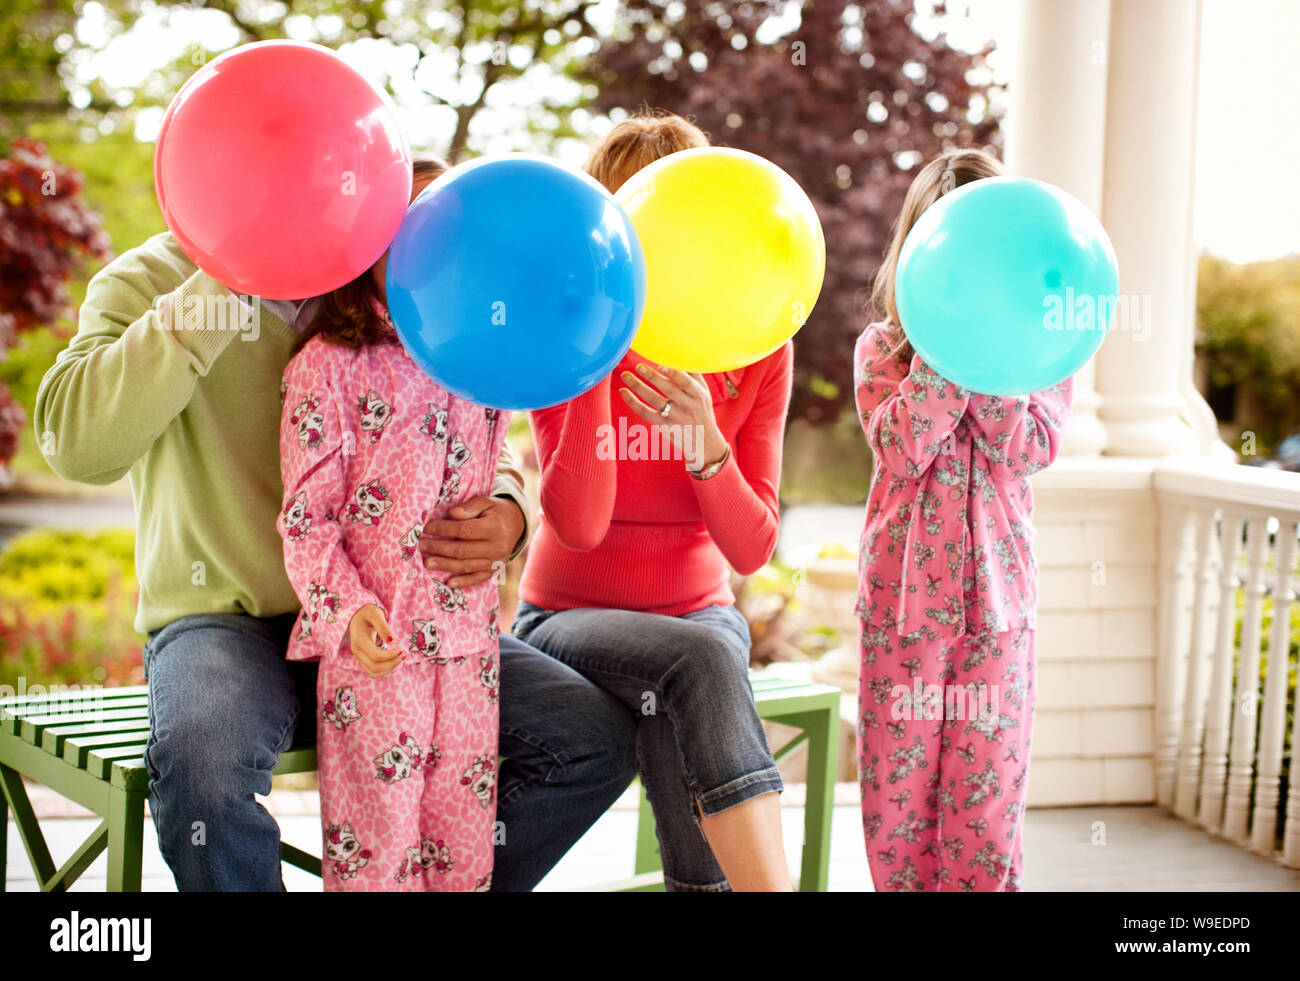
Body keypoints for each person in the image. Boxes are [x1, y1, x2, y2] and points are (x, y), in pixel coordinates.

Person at [33, 156, 634, 891]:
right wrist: (221, 281)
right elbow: (76, 446)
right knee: (203, 770)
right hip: (230, 620)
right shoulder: (152, 280)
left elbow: (476, 413)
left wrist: (510, 511)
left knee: (594, 738)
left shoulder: (393, 265)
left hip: (399, 609)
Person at [509, 111, 795, 892]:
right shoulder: (565, 334)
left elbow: (751, 549)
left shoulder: (757, 343)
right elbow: (579, 523)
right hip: (564, 622)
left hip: (694, 618)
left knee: (693, 672)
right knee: (705, 658)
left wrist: (706, 445)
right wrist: (600, 352)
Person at [276, 157, 505, 890]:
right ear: (368, 247)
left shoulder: (484, 363)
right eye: (406, 236)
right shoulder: (329, 365)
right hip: (377, 652)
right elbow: (306, 520)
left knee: (466, 858)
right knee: (376, 858)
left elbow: (502, 474)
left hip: (471, 650)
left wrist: (512, 516)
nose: (426, 255)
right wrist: (349, 610)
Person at [853, 148, 1073, 891]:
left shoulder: (1043, 353)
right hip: (902, 605)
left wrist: (996, 357)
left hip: (999, 607)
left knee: (986, 805)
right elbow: (902, 447)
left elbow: (1033, 447)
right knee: (897, 804)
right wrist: (947, 347)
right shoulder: (882, 348)